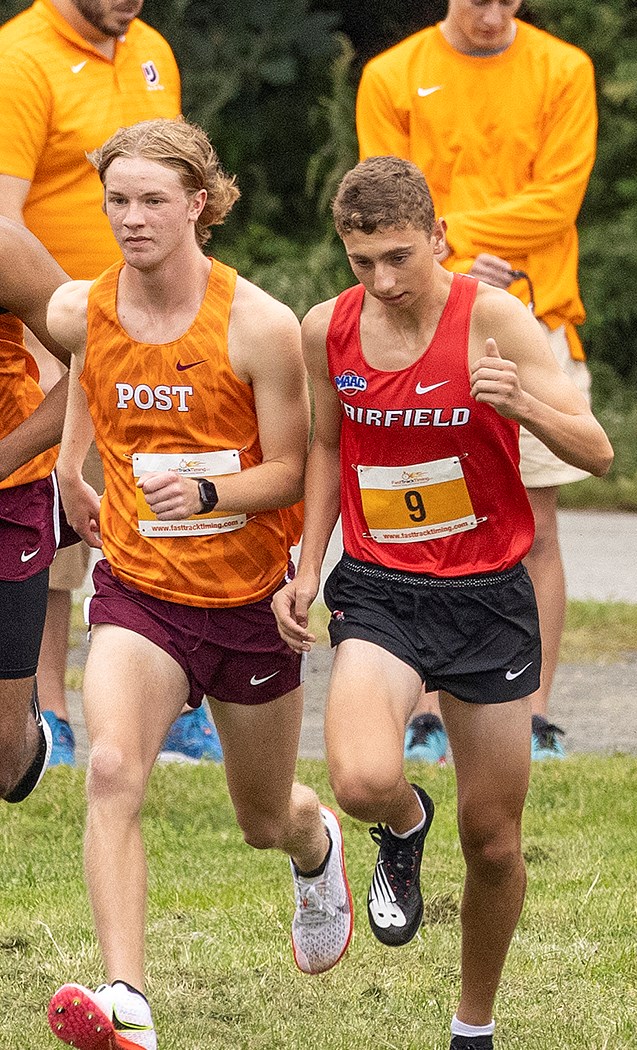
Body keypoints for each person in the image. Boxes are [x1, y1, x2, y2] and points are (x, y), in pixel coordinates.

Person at [273, 155, 612, 1050]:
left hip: (489, 595)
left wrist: (527, 403)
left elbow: (600, 450)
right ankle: (402, 825)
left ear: (438, 239)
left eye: (398, 257)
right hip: (381, 589)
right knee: (362, 779)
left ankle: (474, 1023)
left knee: (495, 838)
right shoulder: (326, 330)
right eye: (361, 262)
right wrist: (307, 565)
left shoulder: (493, 318)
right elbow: (323, 447)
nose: (381, 281)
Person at [39, 119, 344, 1050]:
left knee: (261, 816)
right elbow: (90, 369)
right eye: (117, 200)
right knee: (111, 768)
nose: (131, 219)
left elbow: (295, 471)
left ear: (199, 206)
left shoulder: (256, 325)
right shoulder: (75, 305)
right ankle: (127, 999)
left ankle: (316, 843)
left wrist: (210, 490)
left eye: (153, 201)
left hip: (246, 600)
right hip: (138, 590)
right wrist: (70, 465)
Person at [357, 0, 600, 761]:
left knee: (537, 524)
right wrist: (442, 263)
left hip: (535, 312)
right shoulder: (392, 73)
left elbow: (558, 200)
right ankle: (430, 709)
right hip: (416, 318)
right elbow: (381, 198)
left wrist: (450, 239)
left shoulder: (565, 67)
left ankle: (535, 712)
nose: (494, 12)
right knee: (428, 511)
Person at [0, 0, 215, 765]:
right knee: (64, 532)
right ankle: (50, 711)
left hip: (169, 326)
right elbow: (4, 214)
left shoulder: (152, 46)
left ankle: (180, 699)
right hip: (58, 329)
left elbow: (182, 188)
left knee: (167, 505)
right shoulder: (21, 57)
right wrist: (46, 349)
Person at [0, 217, 80, 804]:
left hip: (10, 495)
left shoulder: (5, 247)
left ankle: (24, 724)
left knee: (6, 766)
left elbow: (96, 361)